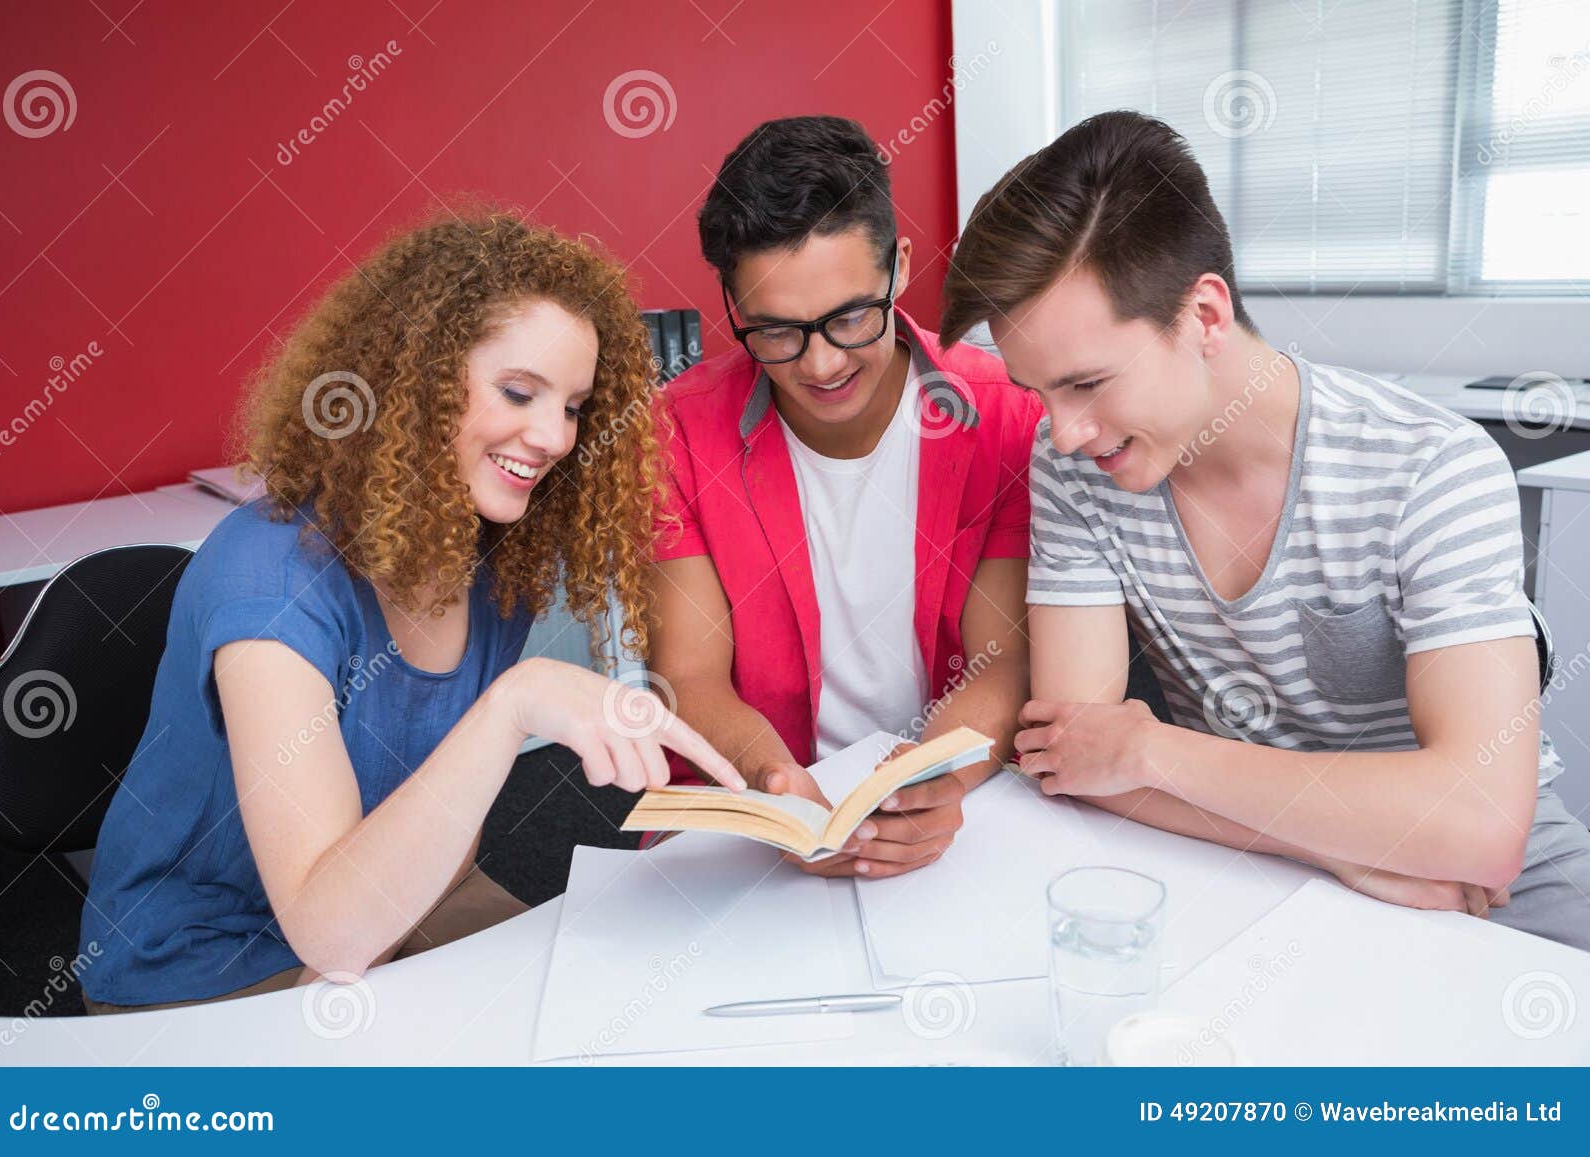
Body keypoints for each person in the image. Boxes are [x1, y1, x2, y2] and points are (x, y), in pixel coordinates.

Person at [940, 110, 1590, 951]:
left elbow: (1481, 823)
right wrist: (1330, 846)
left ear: (1205, 315)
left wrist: (1149, 754)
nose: (1062, 431)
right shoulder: (1076, 465)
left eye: (1088, 383)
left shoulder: (1433, 467)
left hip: (1489, 888)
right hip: (1257, 857)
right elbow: (1078, 762)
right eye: (1039, 394)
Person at [78, 210, 743, 1012]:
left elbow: (440, 861)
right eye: (518, 391)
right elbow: (331, 935)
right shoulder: (268, 580)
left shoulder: (497, 559)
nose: (555, 436)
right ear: (416, 381)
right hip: (200, 963)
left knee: (616, 1017)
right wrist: (513, 704)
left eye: (574, 406)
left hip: (397, 906)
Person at [647, 116, 1041, 880]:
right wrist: (779, 790)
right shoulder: (678, 433)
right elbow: (689, 676)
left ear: (898, 266)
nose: (821, 363)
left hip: (961, 807)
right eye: (776, 331)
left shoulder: (1003, 416)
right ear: (732, 302)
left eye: (850, 317)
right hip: (754, 818)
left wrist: (931, 784)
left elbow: (1004, 660)